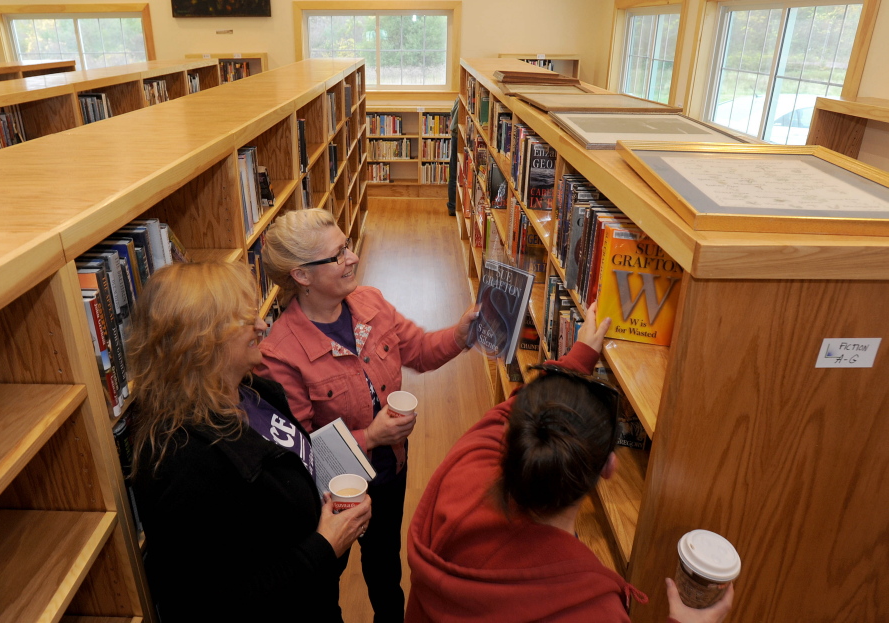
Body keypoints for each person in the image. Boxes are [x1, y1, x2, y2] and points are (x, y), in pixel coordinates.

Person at [406, 303, 735, 623]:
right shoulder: (590, 609)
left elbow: (513, 408)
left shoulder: (466, 464)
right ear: (609, 467)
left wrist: (579, 356)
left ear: (512, 436)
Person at [256, 208, 477, 623]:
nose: (353, 258)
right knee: (326, 583)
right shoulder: (279, 354)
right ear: (302, 276)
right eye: (338, 254)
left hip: (391, 470)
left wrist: (460, 335)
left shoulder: (370, 303)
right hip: (332, 500)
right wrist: (370, 437)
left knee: (385, 566)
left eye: (348, 246)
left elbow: (421, 351)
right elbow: (299, 455)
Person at [127, 261, 372, 622]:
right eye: (245, 320)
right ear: (203, 340)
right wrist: (324, 546)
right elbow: (212, 604)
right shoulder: (182, 458)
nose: (262, 325)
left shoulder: (255, 391)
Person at [446, 95, 460, 217]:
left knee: (454, 172)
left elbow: (451, 113)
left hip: (455, 134)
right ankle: (454, 205)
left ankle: (453, 205)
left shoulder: (459, 97)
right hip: (459, 135)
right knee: (455, 173)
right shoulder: (465, 97)